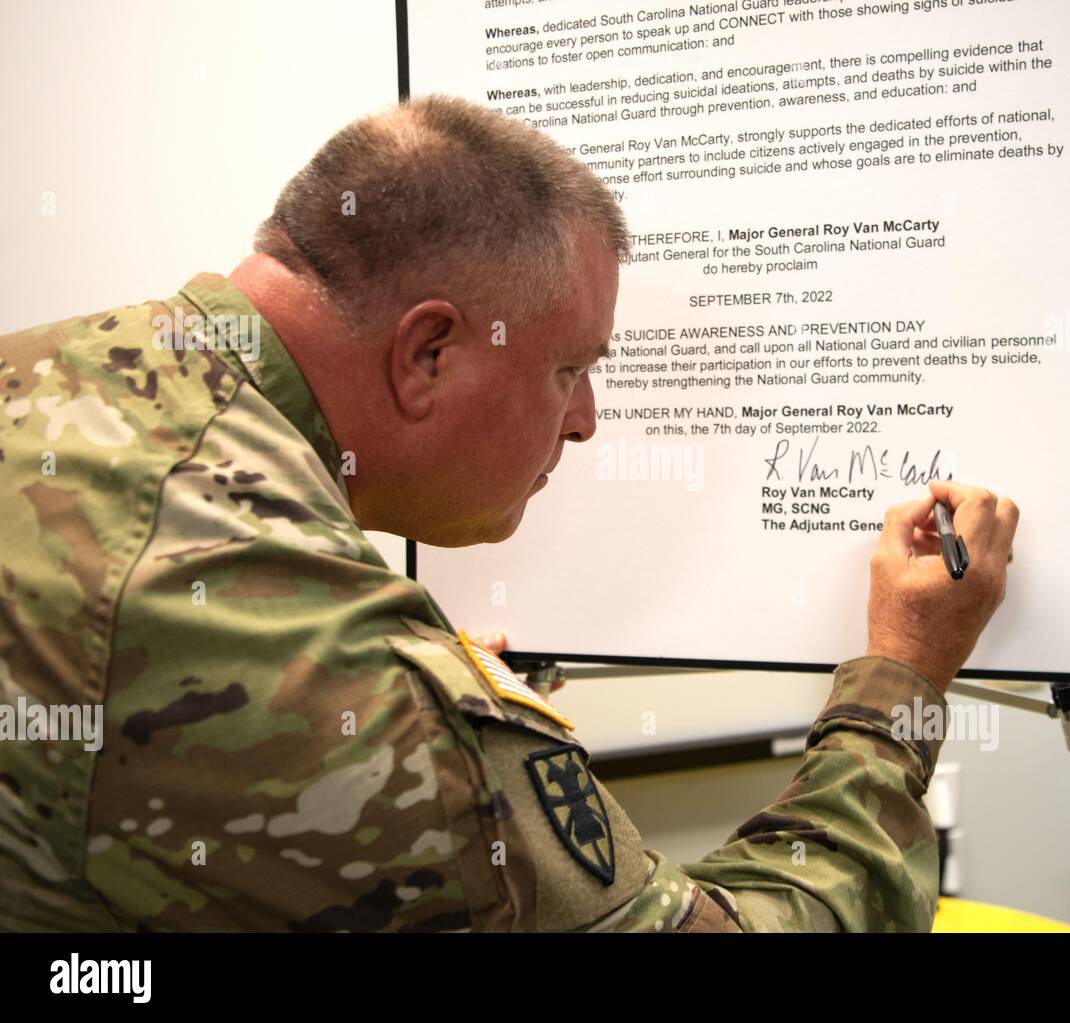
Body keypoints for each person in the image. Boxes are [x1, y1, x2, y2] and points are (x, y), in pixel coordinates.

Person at [0, 94, 1018, 932]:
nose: (584, 420)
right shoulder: (300, 645)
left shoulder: (41, 373)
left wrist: (430, 708)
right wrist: (905, 679)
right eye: (567, 367)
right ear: (428, 351)